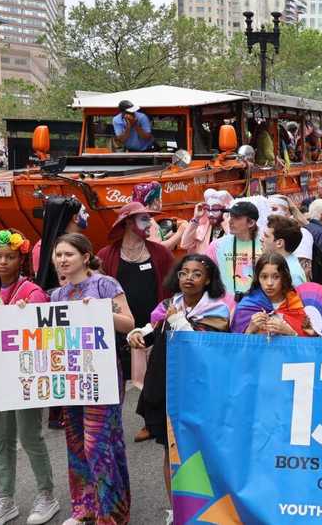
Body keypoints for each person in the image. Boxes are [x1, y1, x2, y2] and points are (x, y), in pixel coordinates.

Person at [127, 255, 229, 520]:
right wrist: (136, 334)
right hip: (166, 387)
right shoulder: (168, 306)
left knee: (201, 452)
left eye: (196, 274)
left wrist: (179, 322)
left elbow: (206, 350)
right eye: (184, 272)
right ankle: (177, 510)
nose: (188, 278)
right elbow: (151, 329)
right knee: (169, 451)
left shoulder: (218, 311)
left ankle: (206, 511)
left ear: (208, 279)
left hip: (200, 392)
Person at [46, 233, 134, 525]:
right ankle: (84, 507)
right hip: (71, 376)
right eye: (58, 255)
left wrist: (99, 311)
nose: (62, 260)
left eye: (68, 254)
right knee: (76, 443)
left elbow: (128, 323)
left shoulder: (104, 285)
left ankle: (111, 512)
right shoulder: (57, 295)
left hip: (103, 375)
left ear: (85, 257)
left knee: (99, 444)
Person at [0, 230, 60, 525]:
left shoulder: (32, 292)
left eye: (9, 257)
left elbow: (43, 335)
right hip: (0, 376)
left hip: (26, 375)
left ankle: (47, 494)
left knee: (29, 436)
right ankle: (5, 498)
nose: (3, 262)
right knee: (2, 439)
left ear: (20, 259)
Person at [96, 202, 174, 437]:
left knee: (154, 374)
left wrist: (166, 316)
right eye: (144, 219)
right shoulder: (106, 254)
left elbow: (172, 287)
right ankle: (109, 424)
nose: (150, 223)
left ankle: (152, 422)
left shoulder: (160, 253)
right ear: (128, 223)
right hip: (119, 325)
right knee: (116, 374)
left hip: (153, 324)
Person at [231, 253, 313, 336]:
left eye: (276, 277)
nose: (269, 283)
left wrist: (290, 332)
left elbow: (307, 340)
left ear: (284, 277)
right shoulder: (247, 306)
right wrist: (250, 330)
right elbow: (235, 341)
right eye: (264, 277)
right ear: (257, 278)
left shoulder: (296, 303)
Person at [207, 200, 262, 309]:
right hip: (222, 309)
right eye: (230, 216)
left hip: (255, 308)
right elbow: (206, 274)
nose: (230, 221)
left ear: (251, 223)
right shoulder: (217, 245)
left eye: (236, 218)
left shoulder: (264, 245)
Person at [261, 215, 308, 288]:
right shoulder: (283, 265)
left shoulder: (292, 274)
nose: (261, 239)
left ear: (279, 243)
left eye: (266, 236)